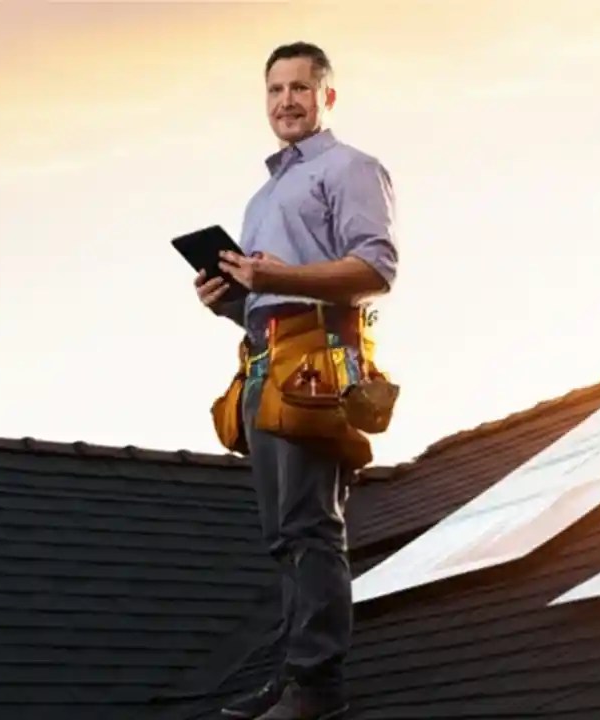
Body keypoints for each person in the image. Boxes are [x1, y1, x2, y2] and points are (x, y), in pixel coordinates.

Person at [193, 41, 398, 720]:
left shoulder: (351, 168)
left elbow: (376, 270)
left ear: (326, 97)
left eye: (300, 89)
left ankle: (318, 690)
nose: (287, 101)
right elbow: (265, 298)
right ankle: (291, 679)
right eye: (275, 90)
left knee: (312, 527)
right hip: (263, 364)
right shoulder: (263, 195)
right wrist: (229, 296)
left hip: (318, 367)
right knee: (284, 535)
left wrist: (274, 276)